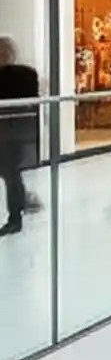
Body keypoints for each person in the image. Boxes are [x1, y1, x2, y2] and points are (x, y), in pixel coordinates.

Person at [0, 37, 39, 237]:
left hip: (10, 135)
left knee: (10, 174)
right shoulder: (25, 75)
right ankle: (21, 205)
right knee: (11, 174)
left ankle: (17, 214)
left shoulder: (18, 76)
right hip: (12, 134)